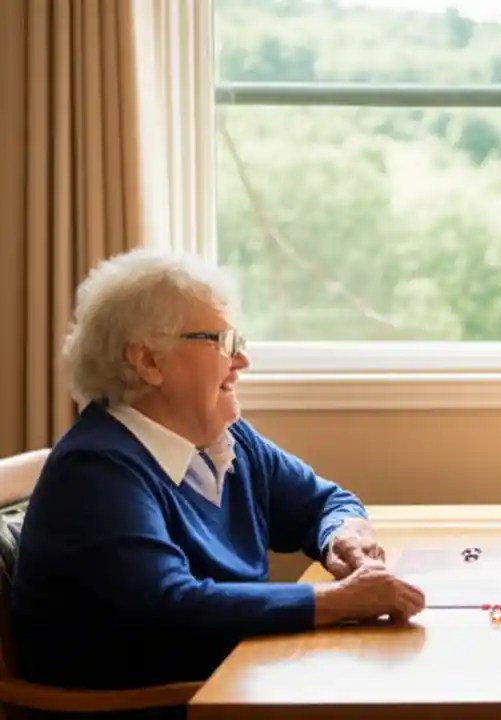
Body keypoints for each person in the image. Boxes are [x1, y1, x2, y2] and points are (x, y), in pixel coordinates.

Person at [11, 249, 426, 706]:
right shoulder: (96, 471)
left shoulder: (228, 441)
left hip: (230, 683)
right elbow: (169, 607)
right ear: (148, 361)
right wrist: (338, 601)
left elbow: (324, 502)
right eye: (223, 341)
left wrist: (342, 537)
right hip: (158, 706)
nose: (242, 360)